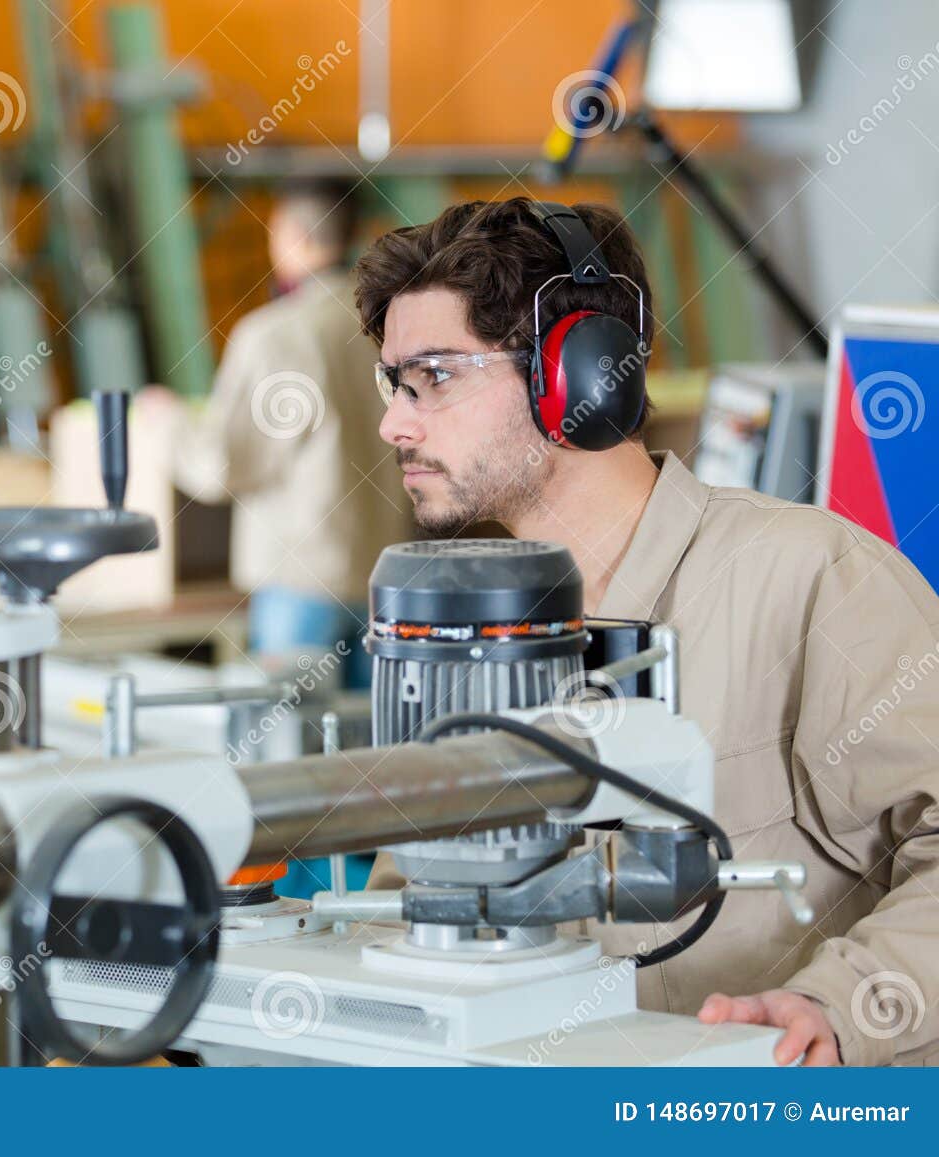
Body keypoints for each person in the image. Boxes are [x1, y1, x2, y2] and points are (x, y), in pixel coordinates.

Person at [356, 196, 939, 1067]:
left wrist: (842, 1007)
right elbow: (404, 911)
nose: (394, 423)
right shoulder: (462, 636)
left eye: (434, 377)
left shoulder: (809, 578)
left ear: (578, 371)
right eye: (394, 383)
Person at [169, 181, 414, 695]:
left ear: (292, 235)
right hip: (385, 576)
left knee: (292, 735)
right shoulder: (389, 328)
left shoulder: (276, 334)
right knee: (377, 734)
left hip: (302, 583)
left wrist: (166, 424)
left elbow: (221, 467)